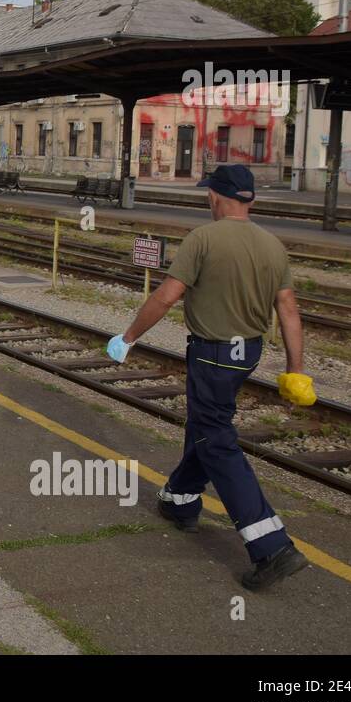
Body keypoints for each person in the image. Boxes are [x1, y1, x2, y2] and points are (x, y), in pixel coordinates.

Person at [105, 164, 317, 590]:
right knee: (207, 426)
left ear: (216, 197)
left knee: (216, 439)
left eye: (209, 195)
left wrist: (128, 338)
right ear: (250, 199)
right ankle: (180, 501)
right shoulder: (273, 246)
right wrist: (296, 371)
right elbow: (289, 311)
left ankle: (271, 546)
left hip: (213, 354)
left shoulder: (203, 238)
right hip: (248, 355)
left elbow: (166, 296)